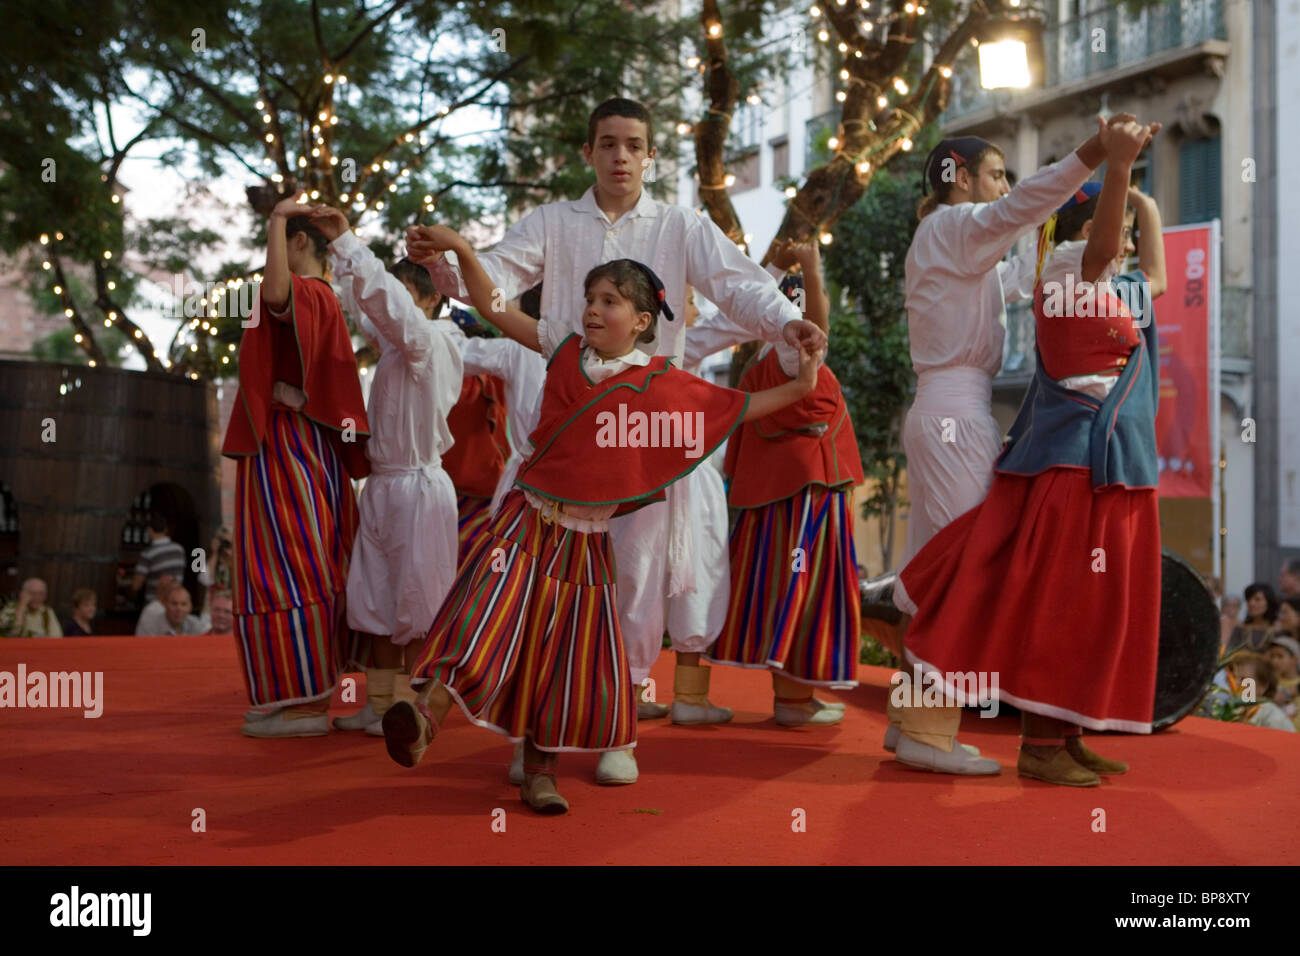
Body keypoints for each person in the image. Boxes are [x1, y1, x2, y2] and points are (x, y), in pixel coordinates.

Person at [405, 96, 828, 787]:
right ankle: (531, 725)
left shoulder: (680, 225)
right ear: (588, 153)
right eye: (607, 143)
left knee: (632, 585)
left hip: (647, 435)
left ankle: (619, 726)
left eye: (634, 144)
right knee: (537, 589)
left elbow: (737, 284)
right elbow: (495, 287)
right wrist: (449, 255)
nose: (621, 156)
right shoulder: (553, 224)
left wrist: (790, 326)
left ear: (650, 155)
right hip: (563, 444)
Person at [896, 119, 1166, 785]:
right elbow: (1027, 215)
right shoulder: (951, 229)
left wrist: (1116, 195)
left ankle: (912, 723)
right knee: (971, 566)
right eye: (994, 175)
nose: (1005, 190)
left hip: (955, 407)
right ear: (956, 176)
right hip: (955, 410)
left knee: (943, 565)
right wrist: (1100, 157)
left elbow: (1030, 270)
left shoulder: (966, 252)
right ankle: (930, 731)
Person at [306, 204, 466, 737]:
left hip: (420, 487)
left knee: (419, 603)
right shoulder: (394, 350)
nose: (389, 305)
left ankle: (417, 716)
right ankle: (379, 705)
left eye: (404, 292)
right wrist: (340, 255)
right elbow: (367, 306)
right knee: (372, 596)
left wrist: (350, 243)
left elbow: (392, 309)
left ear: (431, 299)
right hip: (381, 484)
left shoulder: (432, 341)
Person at [693, 242, 863, 723]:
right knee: (803, 589)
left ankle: (793, 698)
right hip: (806, 490)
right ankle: (792, 701)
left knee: (785, 587)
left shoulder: (762, 361)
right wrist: (811, 267)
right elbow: (819, 326)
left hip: (775, 491)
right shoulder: (794, 351)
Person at [222, 191, 371, 738]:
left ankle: (307, 702)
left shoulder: (308, 291)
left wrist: (279, 215)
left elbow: (278, 292)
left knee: (288, 565)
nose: (269, 258)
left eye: (279, 242)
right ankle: (300, 695)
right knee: (297, 561)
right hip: (301, 446)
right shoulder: (322, 296)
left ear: (299, 243)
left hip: (291, 448)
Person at [131, 514, 186, 603]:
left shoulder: (148, 553)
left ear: (149, 531)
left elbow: (136, 585)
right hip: (175, 601)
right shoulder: (179, 549)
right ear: (166, 530)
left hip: (155, 603)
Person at [1225, 582, 1281, 654]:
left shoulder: (1278, 630)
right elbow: (1229, 654)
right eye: (1248, 599)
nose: (1251, 603)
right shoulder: (1240, 629)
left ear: (1268, 602)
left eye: (1257, 599)